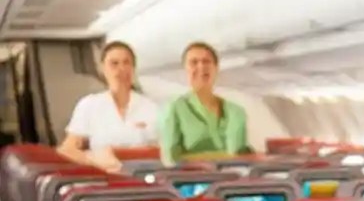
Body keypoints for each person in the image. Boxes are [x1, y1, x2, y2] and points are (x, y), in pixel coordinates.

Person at [58, 41, 159, 173]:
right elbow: (66, 150)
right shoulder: (89, 105)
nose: (121, 69)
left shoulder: (151, 107)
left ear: (133, 68)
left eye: (126, 62)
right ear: (103, 69)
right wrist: (93, 159)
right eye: (114, 63)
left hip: (141, 178)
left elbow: (163, 149)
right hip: (101, 178)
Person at [159, 42, 249, 165]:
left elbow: (236, 156)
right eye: (194, 62)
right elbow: (170, 160)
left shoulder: (236, 111)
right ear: (185, 69)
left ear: (216, 68)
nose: (201, 67)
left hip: (229, 178)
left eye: (206, 62)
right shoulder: (174, 108)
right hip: (186, 180)